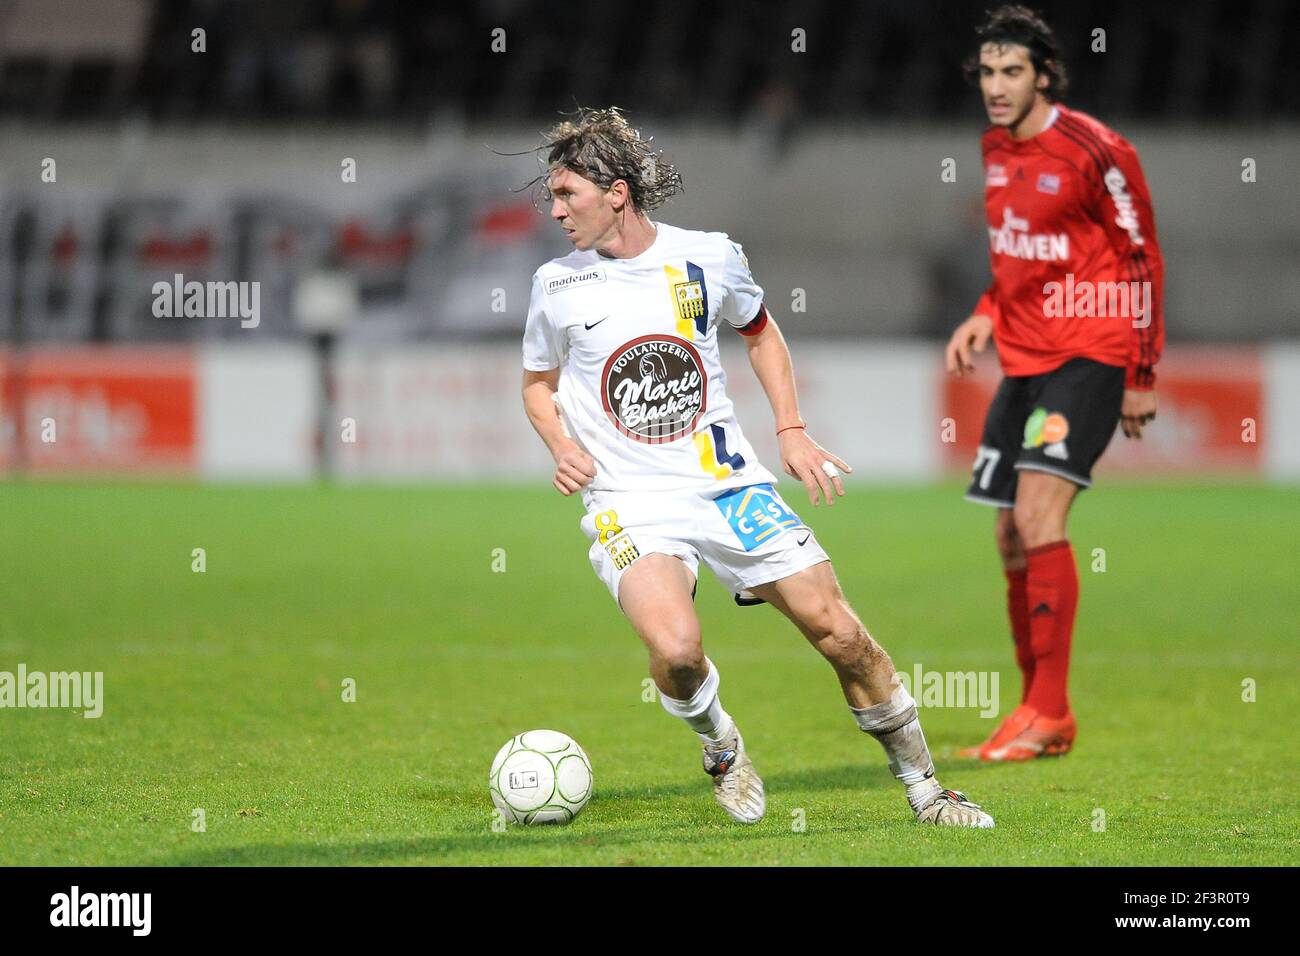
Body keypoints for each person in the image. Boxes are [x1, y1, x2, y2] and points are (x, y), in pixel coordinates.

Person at [521, 107, 993, 827]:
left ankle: (928, 792)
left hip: (729, 486)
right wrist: (561, 446)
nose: (554, 211)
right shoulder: (557, 285)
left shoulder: (708, 256)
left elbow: (762, 334)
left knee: (841, 633)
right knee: (677, 652)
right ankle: (720, 744)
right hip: (629, 499)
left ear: (616, 192)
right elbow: (536, 384)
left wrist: (792, 431)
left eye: (566, 195)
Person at [945, 6, 1164, 760]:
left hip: (1093, 350)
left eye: (1012, 71)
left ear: (1043, 74)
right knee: (1009, 533)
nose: (996, 86)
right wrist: (982, 311)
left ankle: (1051, 712)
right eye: (986, 72)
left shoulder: (1096, 148)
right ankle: (1033, 706)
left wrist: (1141, 371)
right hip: (1024, 358)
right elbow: (1017, 255)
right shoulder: (994, 150)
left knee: (1039, 517)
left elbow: (1141, 258)